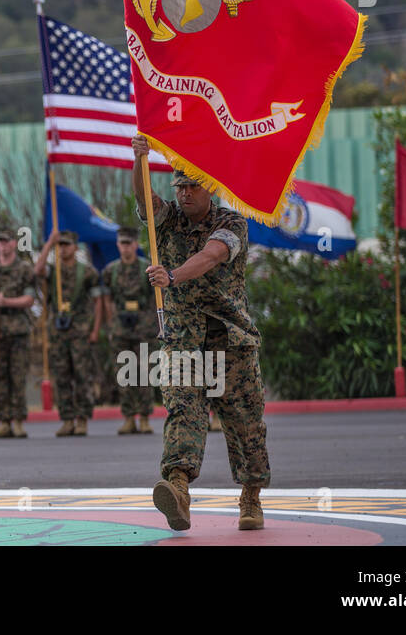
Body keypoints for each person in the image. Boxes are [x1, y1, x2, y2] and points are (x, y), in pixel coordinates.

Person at [131, 134, 270, 532]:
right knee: (183, 411)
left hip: (231, 338)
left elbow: (211, 256)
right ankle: (178, 488)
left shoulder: (232, 224)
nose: (186, 193)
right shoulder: (169, 219)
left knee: (244, 422)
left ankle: (251, 495)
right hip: (182, 338)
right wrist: (137, 159)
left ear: (209, 187)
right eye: (180, 187)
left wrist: (172, 276)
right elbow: (144, 201)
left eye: (193, 186)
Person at [95, 226, 159, 435]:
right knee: (123, 372)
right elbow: (106, 299)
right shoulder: (110, 271)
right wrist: (110, 324)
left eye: (129, 243)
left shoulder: (146, 268)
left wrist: (156, 326)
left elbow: (157, 299)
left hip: (143, 327)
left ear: (135, 244)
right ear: (118, 245)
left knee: (144, 372)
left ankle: (145, 417)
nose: (125, 247)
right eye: (122, 243)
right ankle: (129, 417)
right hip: (121, 328)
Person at [33, 230, 98, 436]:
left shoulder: (86, 272)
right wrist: (48, 244)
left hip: (79, 330)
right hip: (58, 331)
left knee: (81, 375)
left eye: (66, 245)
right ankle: (67, 419)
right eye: (59, 245)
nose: (63, 249)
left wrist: (94, 329)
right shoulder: (53, 271)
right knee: (61, 376)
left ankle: (82, 419)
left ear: (75, 247)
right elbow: (37, 270)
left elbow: (98, 303)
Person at [0, 228, 37, 439]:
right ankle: (4, 421)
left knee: (18, 377)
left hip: (19, 332)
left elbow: (30, 299)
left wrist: (6, 302)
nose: (2, 245)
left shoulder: (24, 269)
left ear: (14, 244)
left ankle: (19, 421)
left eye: (6, 241)